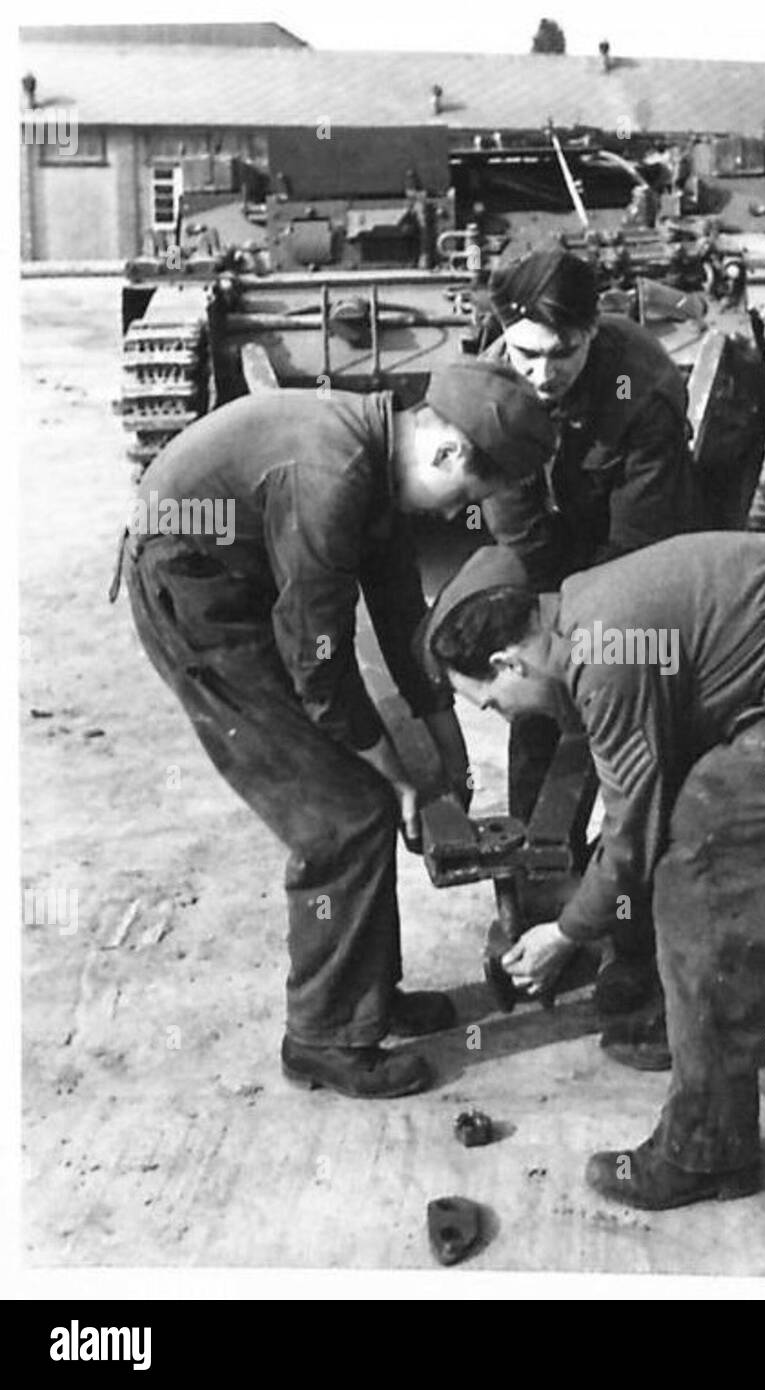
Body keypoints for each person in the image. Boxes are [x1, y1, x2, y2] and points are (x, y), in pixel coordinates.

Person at [424, 533, 765, 1209]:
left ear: (508, 662)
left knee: (703, 872)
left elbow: (630, 832)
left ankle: (706, 1151)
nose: (504, 714)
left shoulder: (604, 656)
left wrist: (565, 931)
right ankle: (689, 1019)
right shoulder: (588, 605)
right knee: (704, 829)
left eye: (494, 701)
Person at [117, 362, 554, 1099]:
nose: (458, 516)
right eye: (467, 497)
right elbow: (318, 663)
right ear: (447, 453)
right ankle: (322, 1038)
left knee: (365, 800)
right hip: (192, 595)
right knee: (343, 816)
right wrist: (396, 770)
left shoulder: (380, 446)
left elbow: (394, 609)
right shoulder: (333, 474)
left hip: (235, 572)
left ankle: (366, 1001)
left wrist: (441, 732)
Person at [479, 247, 701, 1025]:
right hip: (552, 551)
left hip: (636, 557)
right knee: (537, 719)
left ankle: (631, 945)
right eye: (525, 353)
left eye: (562, 355)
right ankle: (536, 909)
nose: (540, 376)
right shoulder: (497, 373)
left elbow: (640, 549)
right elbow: (510, 509)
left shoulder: (645, 391)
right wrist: (547, 635)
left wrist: (588, 639)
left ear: (591, 334)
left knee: (635, 754)